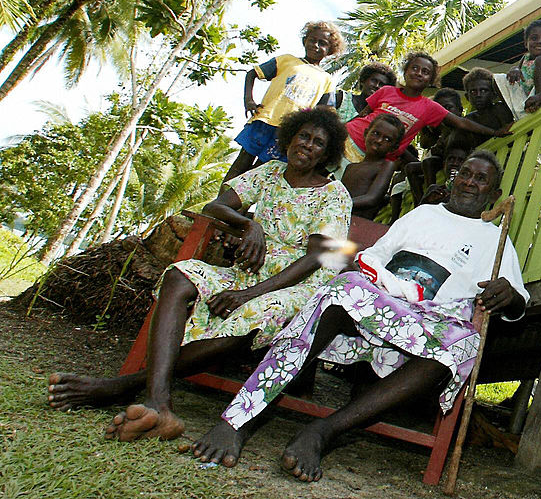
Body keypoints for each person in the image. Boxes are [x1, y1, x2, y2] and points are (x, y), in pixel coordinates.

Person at [190, 150, 529, 482]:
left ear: (494, 194)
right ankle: (238, 421)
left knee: (462, 347)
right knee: (343, 288)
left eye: (481, 179)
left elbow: (517, 303)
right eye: (464, 174)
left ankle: (324, 431)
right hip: (379, 301)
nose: (469, 182)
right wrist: (383, 283)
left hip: (429, 325)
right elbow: (373, 257)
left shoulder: (496, 240)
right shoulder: (423, 214)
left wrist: (508, 295)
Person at [47, 108, 352, 442]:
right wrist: (249, 224)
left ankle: (122, 388)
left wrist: (248, 294)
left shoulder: (334, 195)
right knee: (181, 274)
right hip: (246, 272)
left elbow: (317, 258)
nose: (307, 145)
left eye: (318, 143)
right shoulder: (268, 173)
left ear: (329, 153)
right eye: (303, 136)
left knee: (256, 312)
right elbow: (215, 207)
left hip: (295, 285)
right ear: (290, 137)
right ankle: (158, 401)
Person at [224, 22, 343, 183]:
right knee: (242, 162)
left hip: (288, 133)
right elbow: (252, 73)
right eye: (312, 40)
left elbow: (325, 112)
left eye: (322, 43)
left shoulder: (326, 79)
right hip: (264, 119)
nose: (316, 45)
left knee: (261, 172)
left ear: (330, 50)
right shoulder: (287, 60)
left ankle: (238, 208)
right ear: (305, 40)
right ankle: (216, 205)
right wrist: (249, 100)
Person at [343, 52, 509, 167]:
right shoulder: (386, 91)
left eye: (425, 72)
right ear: (406, 70)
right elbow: (364, 113)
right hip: (347, 141)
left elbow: (461, 123)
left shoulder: (429, 107)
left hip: (374, 160)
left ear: (431, 80)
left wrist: (494, 133)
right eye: (414, 68)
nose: (419, 73)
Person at [493, 20, 541, 119]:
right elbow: (518, 70)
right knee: (497, 78)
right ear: (526, 43)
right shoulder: (525, 58)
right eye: (534, 38)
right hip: (526, 99)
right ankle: (514, 113)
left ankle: (538, 104)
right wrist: (515, 69)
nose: (539, 41)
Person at [342, 114, 405, 220]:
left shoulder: (386, 166)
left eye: (387, 139)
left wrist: (339, 205)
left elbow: (372, 198)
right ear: (366, 133)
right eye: (376, 134)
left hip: (357, 223)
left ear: (394, 147)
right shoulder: (351, 167)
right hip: (338, 217)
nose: (379, 140)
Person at [409, 87, 463, 203]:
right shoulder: (441, 128)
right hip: (444, 161)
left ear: (460, 110)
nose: (444, 112)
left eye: (448, 108)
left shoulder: (464, 126)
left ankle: (433, 196)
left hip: (459, 162)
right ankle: (420, 201)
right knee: (412, 167)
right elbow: (426, 144)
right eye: (439, 109)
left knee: (429, 163)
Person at [463, 67, 515, 148]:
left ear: (494, 94)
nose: (478, 95)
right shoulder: (468, 119)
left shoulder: (499, 108)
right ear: (467, 97)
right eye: (473, 91)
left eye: (483, 90)